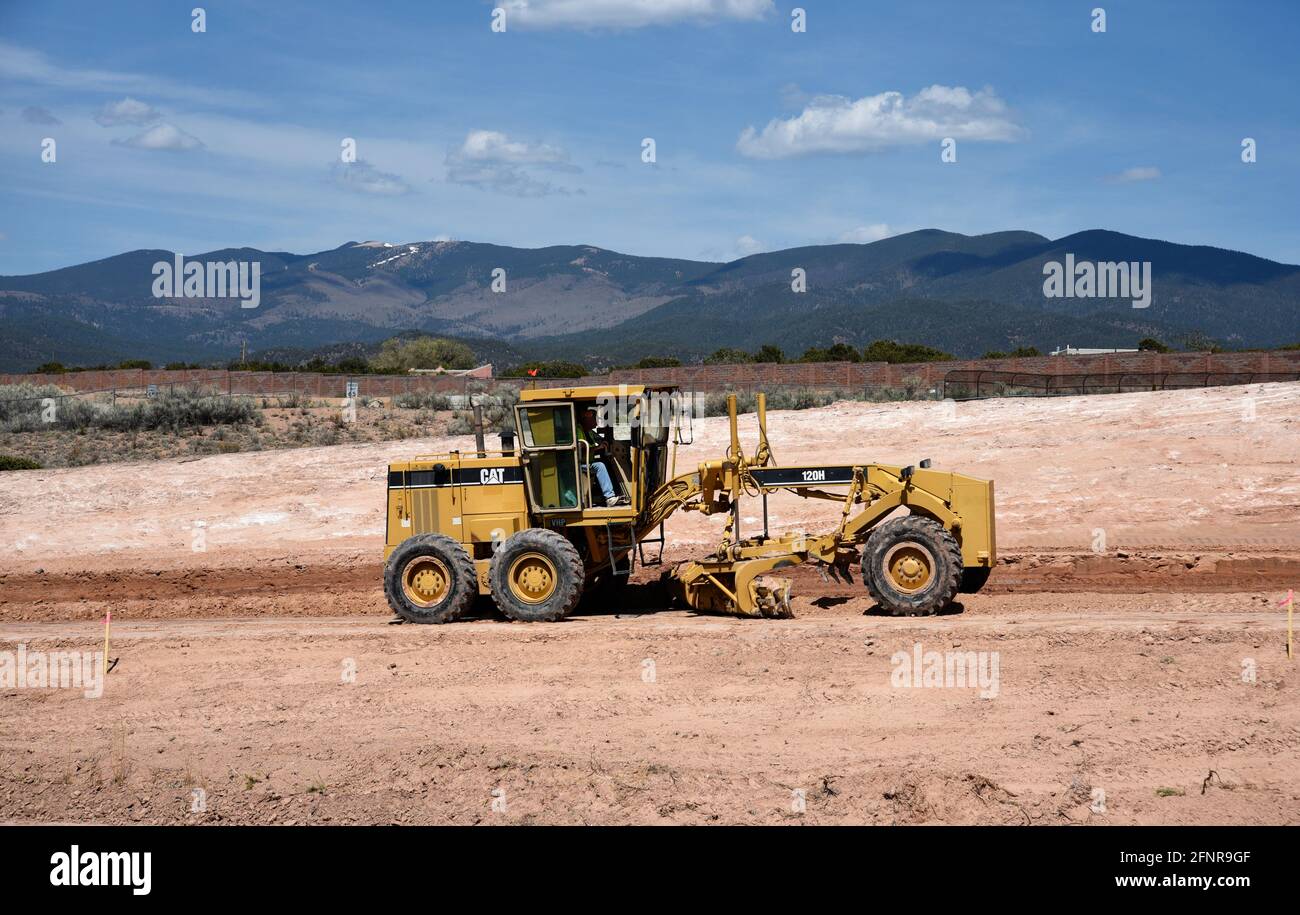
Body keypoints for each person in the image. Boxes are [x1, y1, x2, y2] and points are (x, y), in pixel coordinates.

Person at [578, 408, 629, 506]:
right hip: (579, 463)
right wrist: (598, 447)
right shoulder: (578, 430)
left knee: (605, 463)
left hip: (587, 462)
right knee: (600, 466)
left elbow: (599, 439)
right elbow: (581, 448)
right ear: (587, 417)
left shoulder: (589, 431)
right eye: (594, 419)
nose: (596, 423)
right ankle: (609, 497)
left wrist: (604, 442)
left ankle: (614, 493)